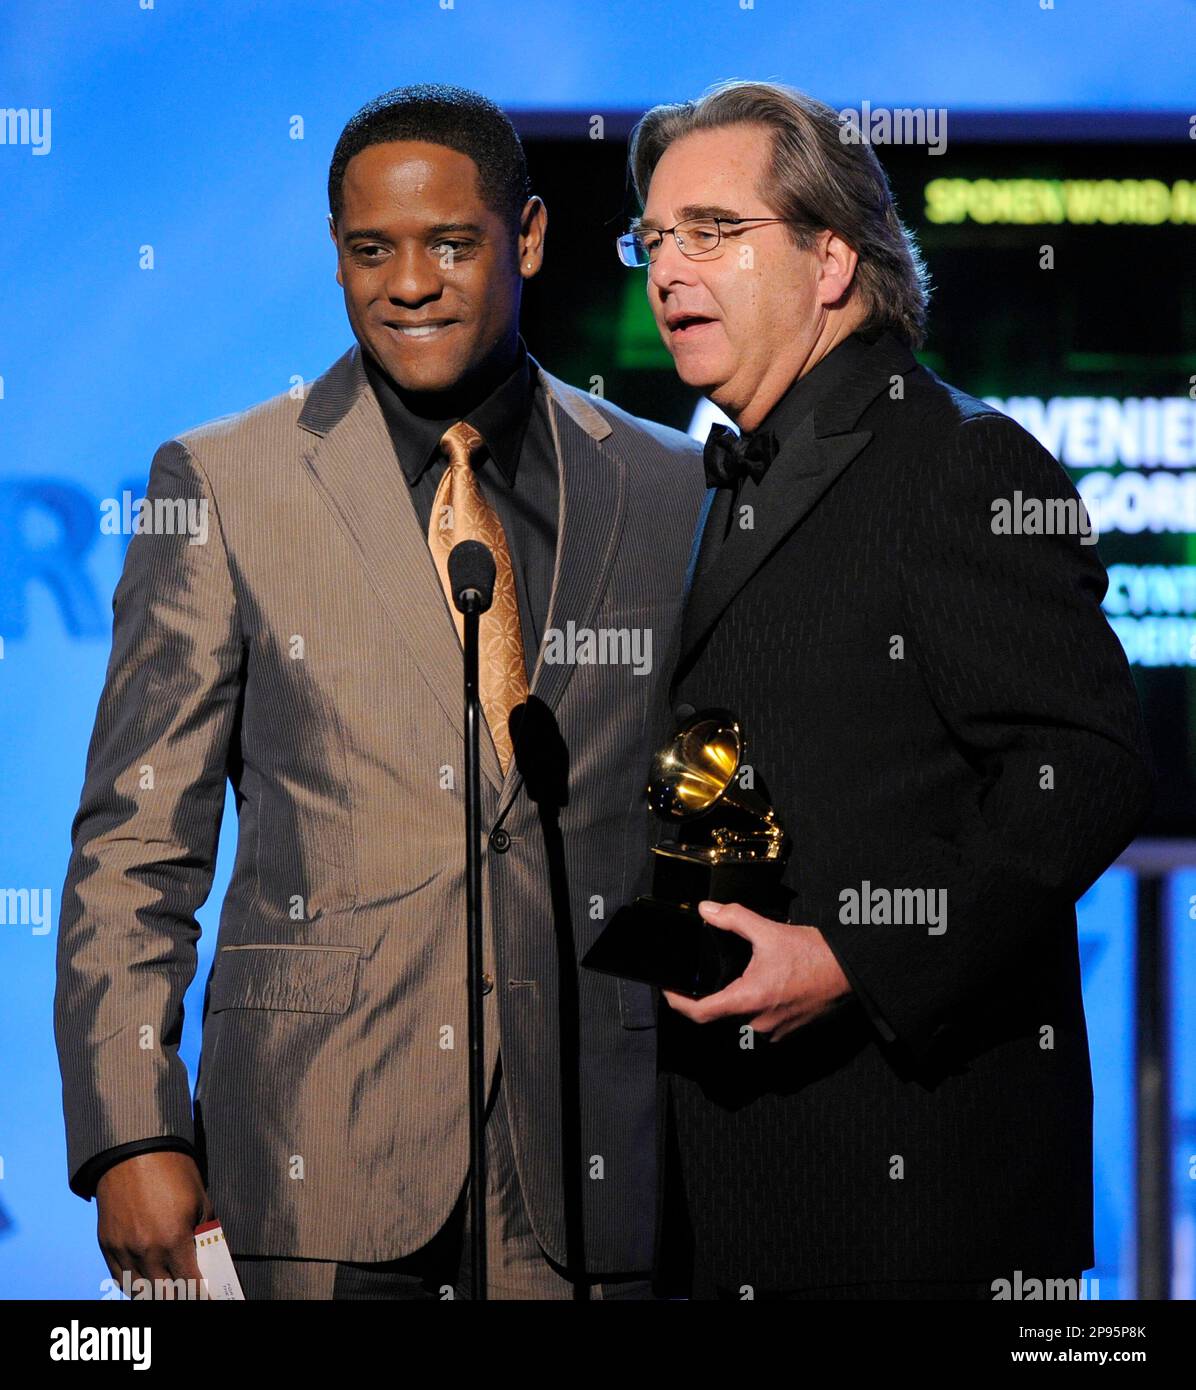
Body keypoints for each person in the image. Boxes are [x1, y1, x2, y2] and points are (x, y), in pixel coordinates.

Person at [55, 83, 705, 1300]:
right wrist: (132, 1128)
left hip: (589, 1159)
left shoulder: (667, 487)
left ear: (526, 239)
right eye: (371, 250)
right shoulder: (225, 480)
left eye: (451, 244)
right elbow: (137, 842)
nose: (408, 283)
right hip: (320, 1150)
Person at [618, 80, 1154, 1300]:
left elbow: (1083, 765)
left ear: (827, 258)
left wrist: (854, 957)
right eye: (653, 239)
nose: (665, 268)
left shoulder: (956, 459)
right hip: (719, 1190)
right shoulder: (696, 484)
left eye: (711, 231)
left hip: (912, 1202)